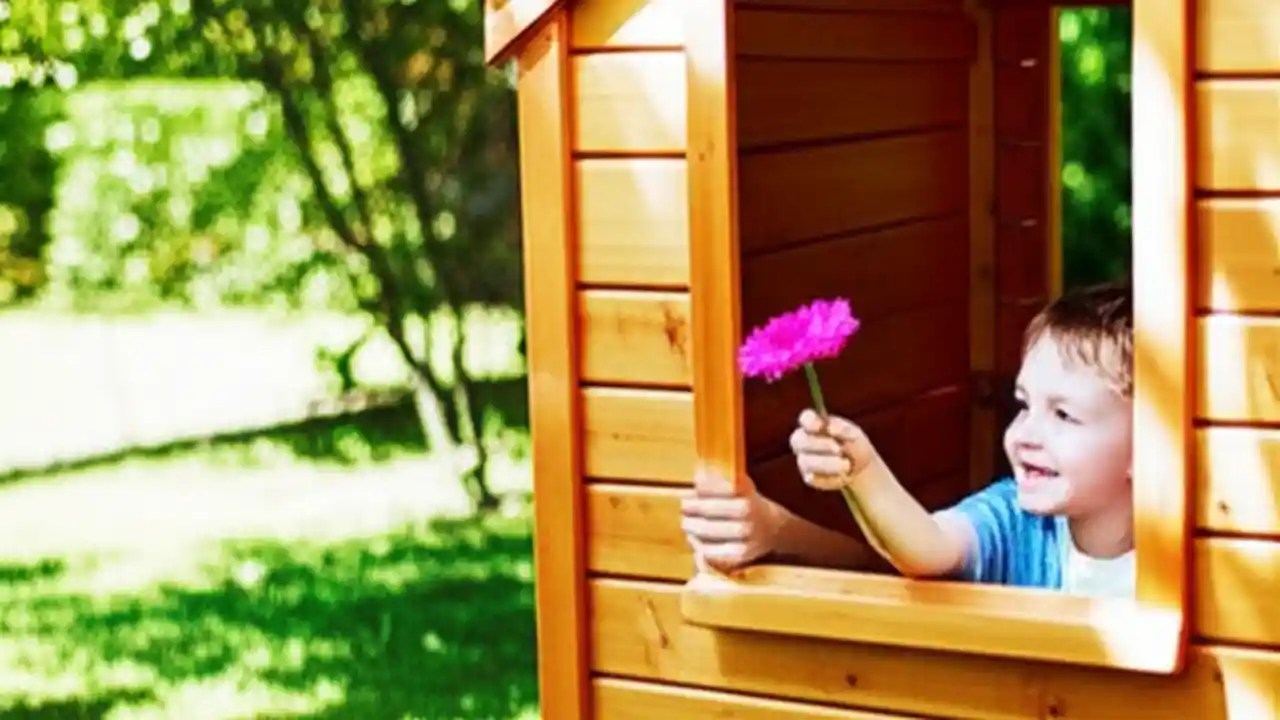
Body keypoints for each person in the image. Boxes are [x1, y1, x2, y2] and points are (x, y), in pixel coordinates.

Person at [681, 282, 1136, 599]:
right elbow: (927, 547)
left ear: (1149, 447)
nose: (1025, 434)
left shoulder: (1196, 558)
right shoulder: (1015, 520)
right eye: (1022, 405)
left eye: (1063, 415)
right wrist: (861, 471)